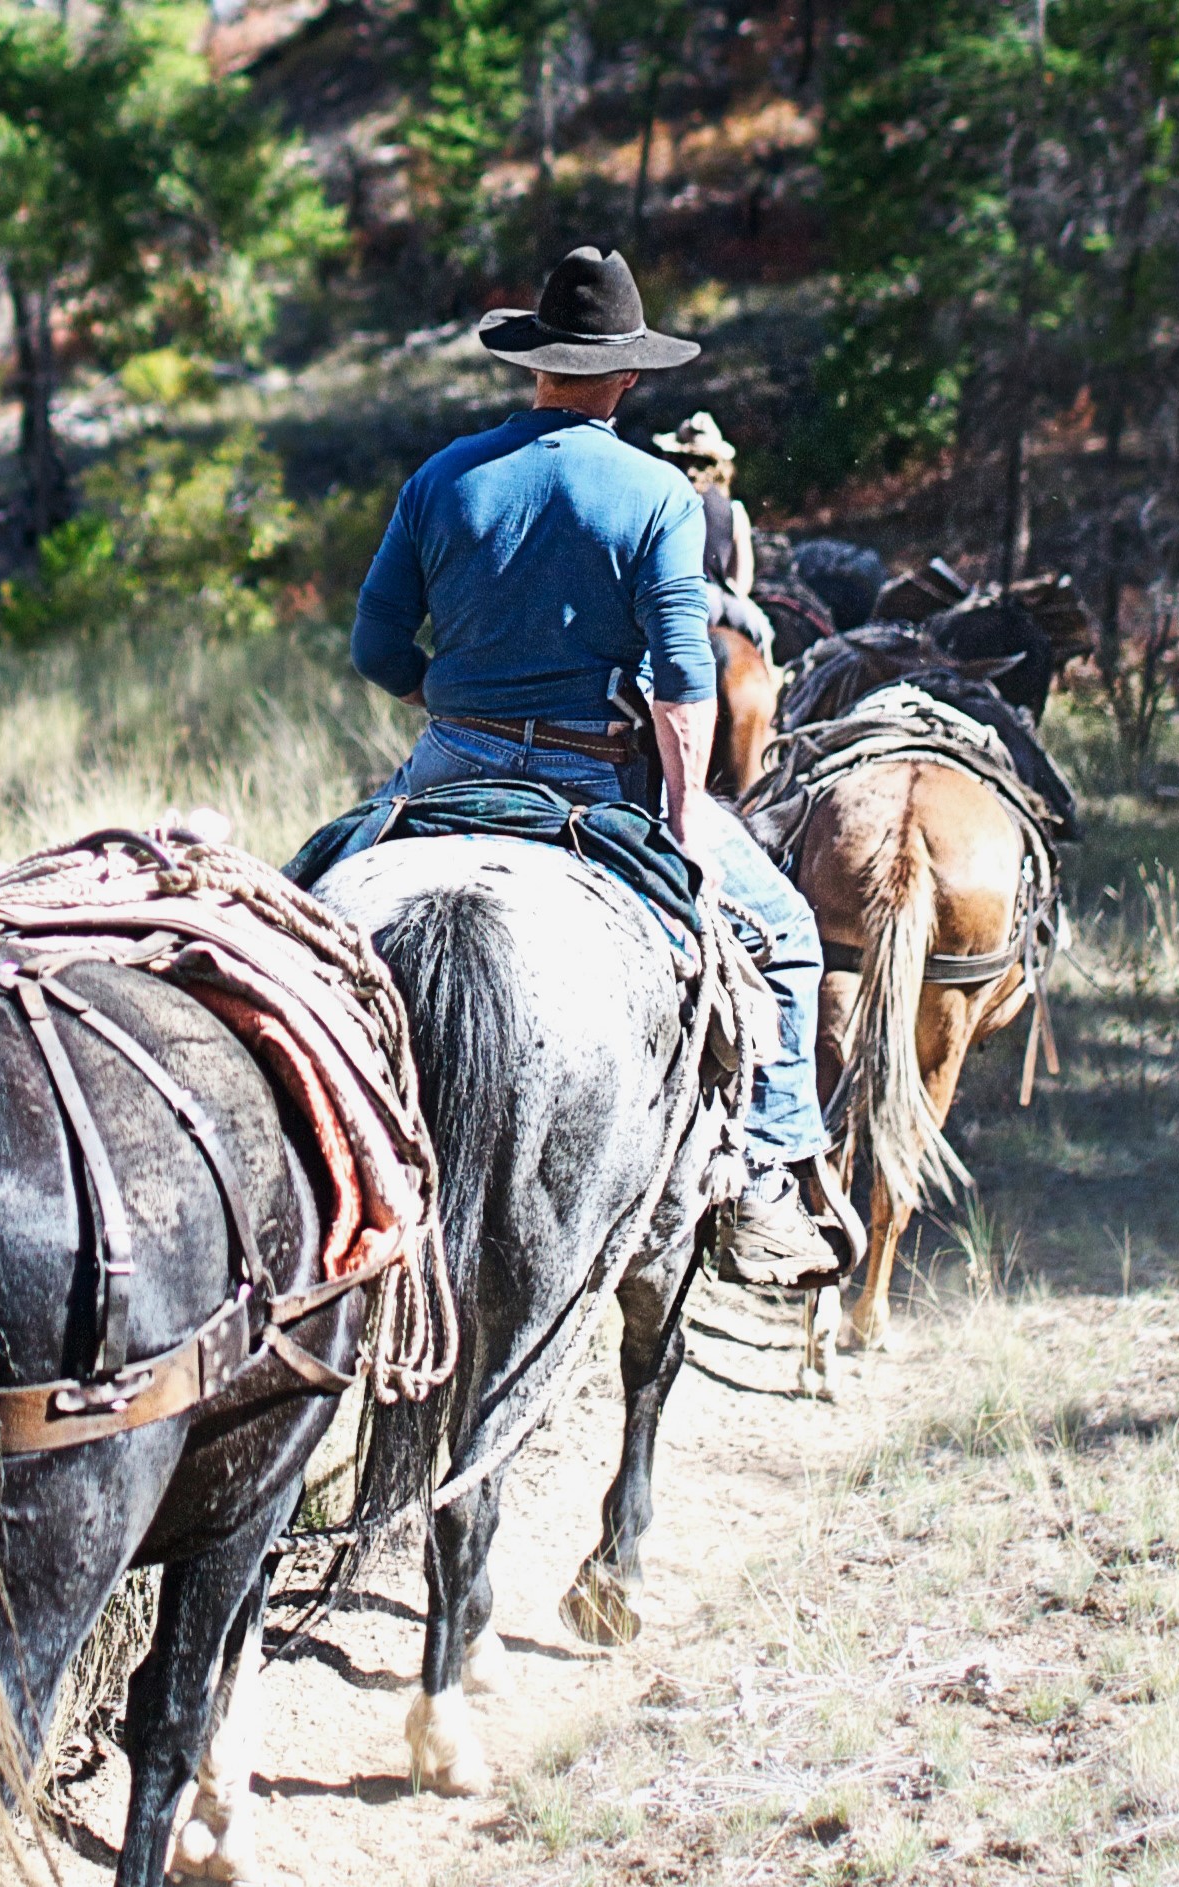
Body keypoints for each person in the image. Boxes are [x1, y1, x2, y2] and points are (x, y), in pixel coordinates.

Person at [348, 243, 846, 1283]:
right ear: (626, 376)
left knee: (307, 903)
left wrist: (450, 706)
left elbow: (376, 649)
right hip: (596, 778)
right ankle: (760, 1185)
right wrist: (678, 823)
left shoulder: (441, 478)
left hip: (450, 766)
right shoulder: (657, 493)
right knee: (788, 939)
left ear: (534, 365)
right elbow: (679, 679)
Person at [653, 411, 778, 660]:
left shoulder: (662, 503)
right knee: (762, 635)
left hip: (679, 601)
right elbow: (741, 583)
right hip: (722, 605)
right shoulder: (734, 510)